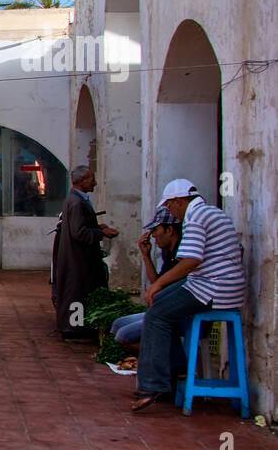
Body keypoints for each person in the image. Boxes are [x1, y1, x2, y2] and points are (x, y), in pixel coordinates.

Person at [132, 180, 246, 412]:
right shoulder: (211, 211)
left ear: (179, 201)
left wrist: (157, 285)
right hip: (221, 284)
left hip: (215, 287)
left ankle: (154, 385)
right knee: (161, 306)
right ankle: (173, 373)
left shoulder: (195, 217)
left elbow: (192, 261)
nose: (170, 212)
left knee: (156, 313)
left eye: (170, 206)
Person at [51, 166, 119, 340]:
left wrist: (96, 228)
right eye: (91, 179)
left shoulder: (76, 200)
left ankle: (77, 328)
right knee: (76, 294)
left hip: (78, 257)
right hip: (78, 258)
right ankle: (74, 330)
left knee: (78, 293)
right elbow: (79, 232)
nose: (94, 183)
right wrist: (101, 233)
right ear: (81, 181)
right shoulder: (76, 202)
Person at [110, 207, 182, 347]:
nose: (153, 236)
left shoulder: (183, 253)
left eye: (155, 230)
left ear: (169, 230)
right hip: (161, 309)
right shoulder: (168, 253)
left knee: (123, 335)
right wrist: (146, 256)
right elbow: (157, 282)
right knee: (117, 325)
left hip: (173, 312)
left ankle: (164, 363)